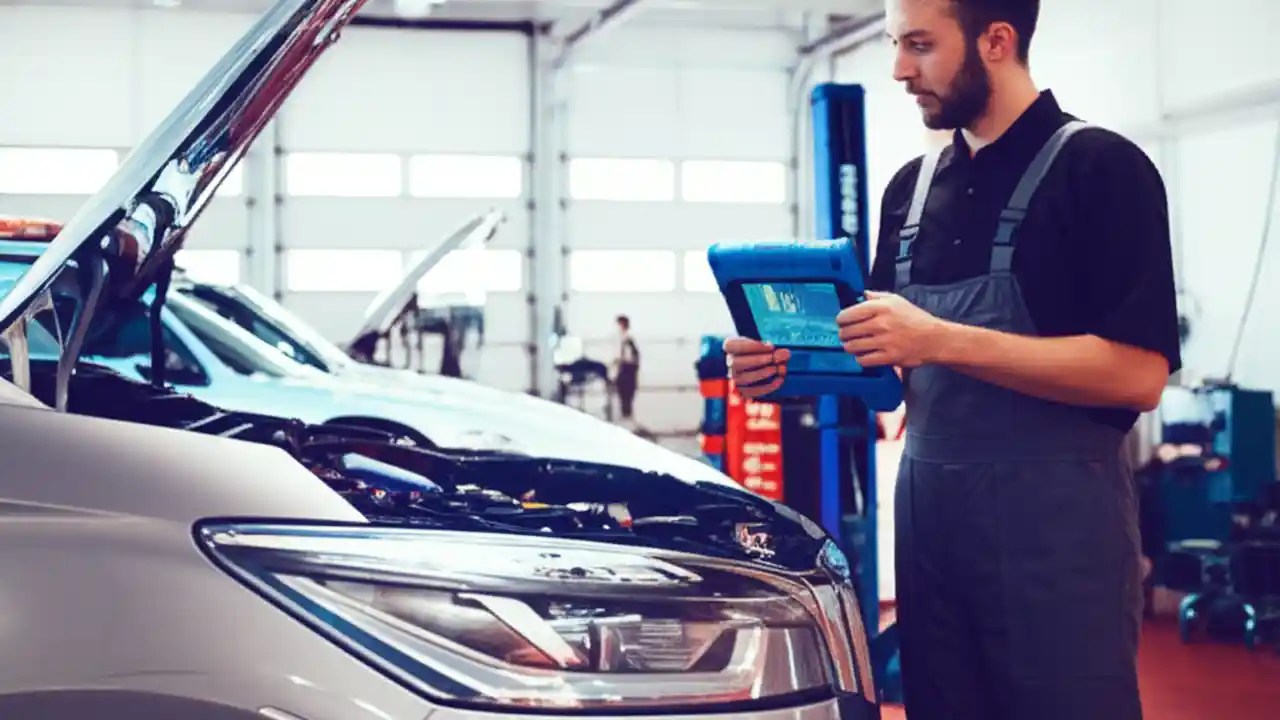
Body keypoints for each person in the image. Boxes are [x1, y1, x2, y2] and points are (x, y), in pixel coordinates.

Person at [724, 1, 1181, 718]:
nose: (900, 69)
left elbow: (1140, 376)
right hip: (932, 535)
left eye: (920, 45)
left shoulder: (1102, 170)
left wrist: (939, 338)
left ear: (996, 40)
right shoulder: (910, 190)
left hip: (1056, 546)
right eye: (894, 44)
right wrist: (790, 368)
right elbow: (890, 368)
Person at [613, 314, 641, 424]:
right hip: (624, 366)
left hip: (628, 366)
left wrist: (626, 361)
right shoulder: (622, 336)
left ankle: (627, 413)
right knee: (622, 388)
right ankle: (625, 412)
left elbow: (634, 354)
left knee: (627, 390)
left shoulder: (629, 337)